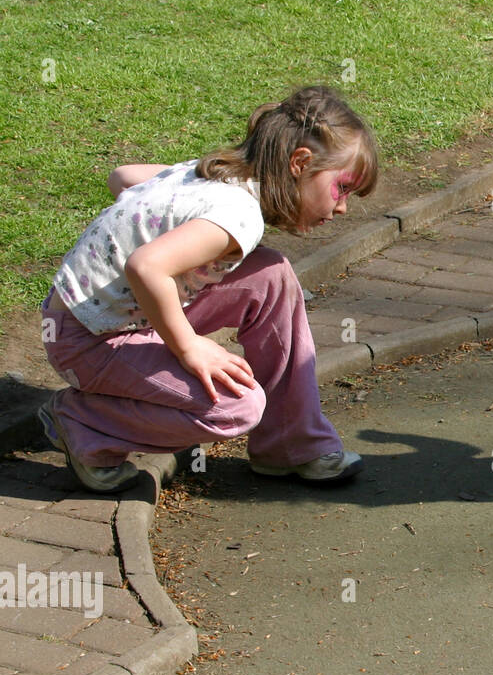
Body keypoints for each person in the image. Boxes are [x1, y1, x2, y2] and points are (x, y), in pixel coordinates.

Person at [39, 85, 378, 493]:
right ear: (299, 163)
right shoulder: (238, 213)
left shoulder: (210, 175)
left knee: (270, 273)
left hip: (105, 315)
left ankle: (289, 444)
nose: (342, 207)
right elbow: (145, 266)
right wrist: (188, 347)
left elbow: (124, 176)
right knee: (236, 407)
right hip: (90, 340)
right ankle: (83, 423)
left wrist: (152, 219)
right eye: (342, 189)